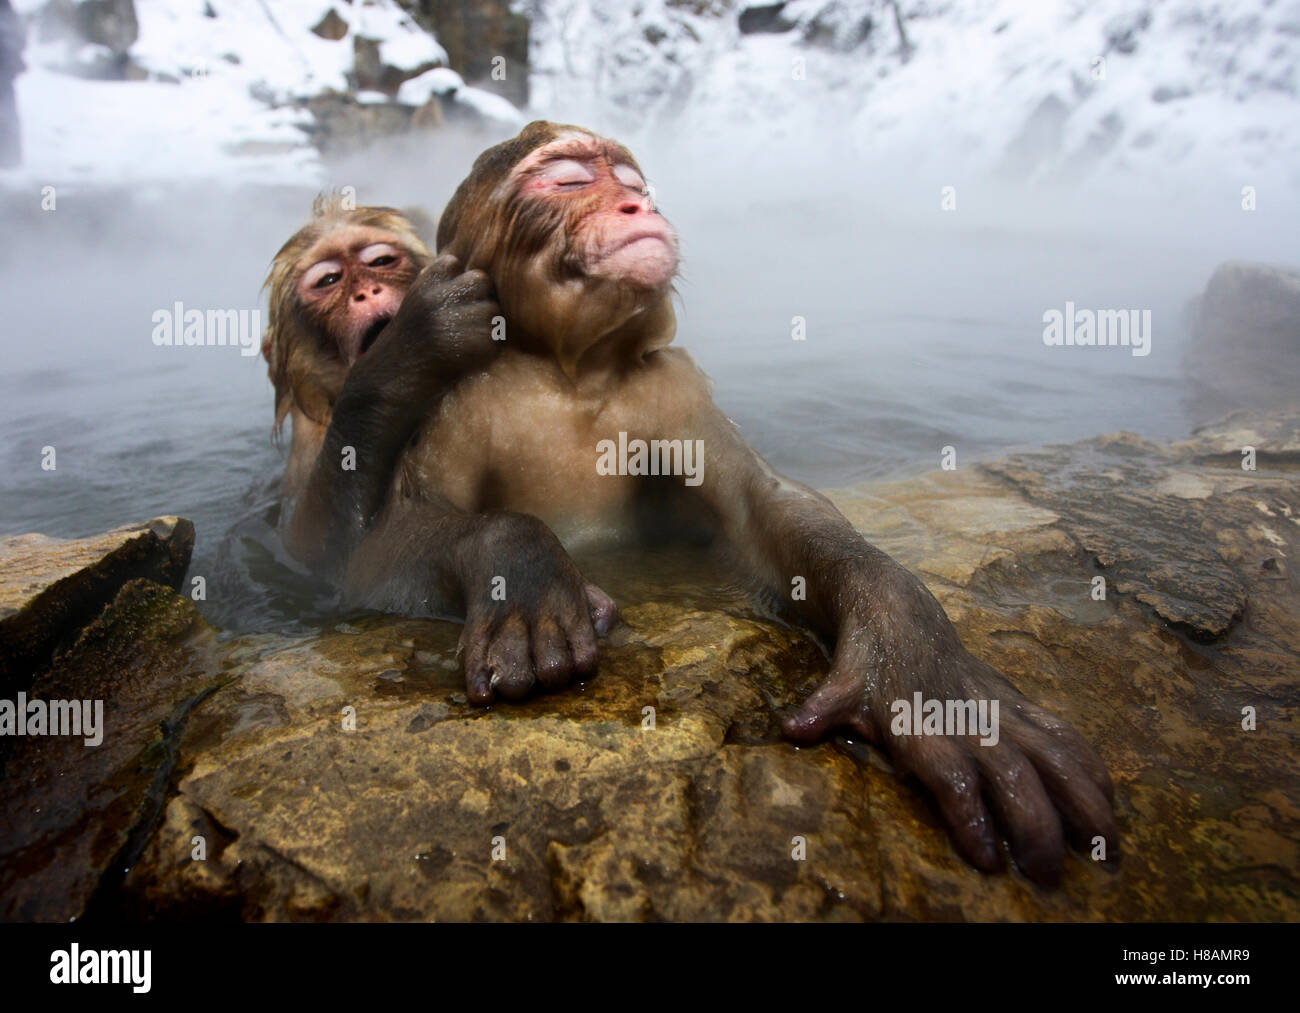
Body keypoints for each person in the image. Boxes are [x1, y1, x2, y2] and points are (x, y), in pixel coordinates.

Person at [0, 0, 26, 168]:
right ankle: (10, 158)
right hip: (6, 65)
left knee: (7, 111)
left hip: (4, 67)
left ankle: (10, 158)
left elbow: (16, 33)